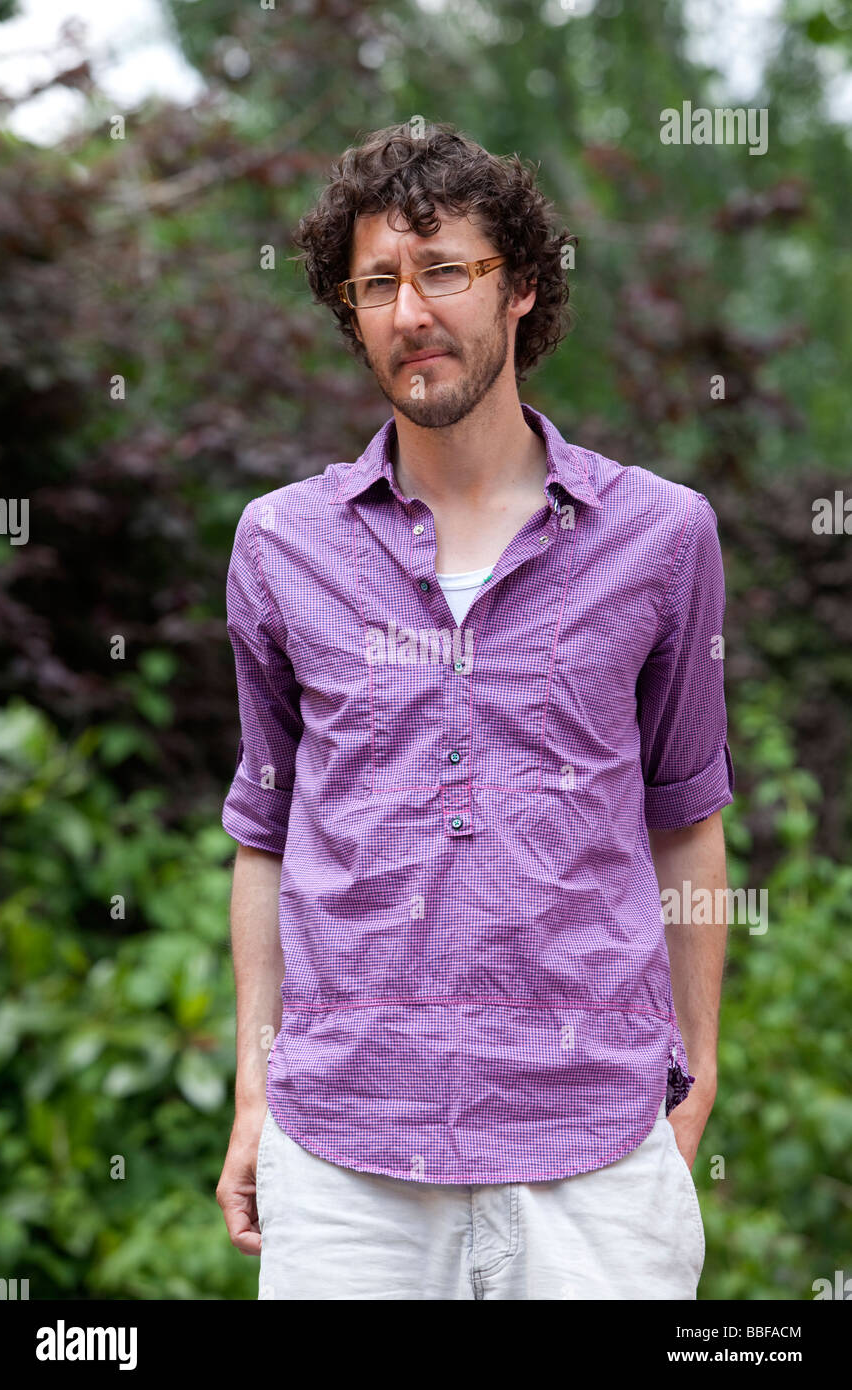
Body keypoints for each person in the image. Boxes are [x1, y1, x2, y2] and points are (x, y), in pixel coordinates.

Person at [215, 122, 734, 1300]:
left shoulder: (660, 536)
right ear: (351, 312)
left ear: (522, 289)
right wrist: (255, 1090)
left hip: (593, 1157)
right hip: (345, 1155)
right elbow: (265, 833)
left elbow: (683, 815)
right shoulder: (278, 545)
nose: (410, 310)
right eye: (378, 284)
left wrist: (692, 1087)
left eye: (445, 269)